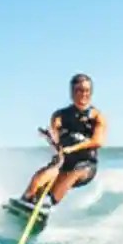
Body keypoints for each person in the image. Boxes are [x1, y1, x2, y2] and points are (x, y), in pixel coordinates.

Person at [21, 73, 107, 208]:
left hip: (86, 165)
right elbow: (55, 133)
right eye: (79, 90)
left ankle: (48, 202)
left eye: (87, 90)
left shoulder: (97, 117)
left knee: (73, 173)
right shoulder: (60, 115)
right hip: (63, 159)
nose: (84, 94)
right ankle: (27, 198)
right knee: (46, 174)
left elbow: (97, 142)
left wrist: (72, 149)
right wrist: (51, 137)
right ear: (72, 93)